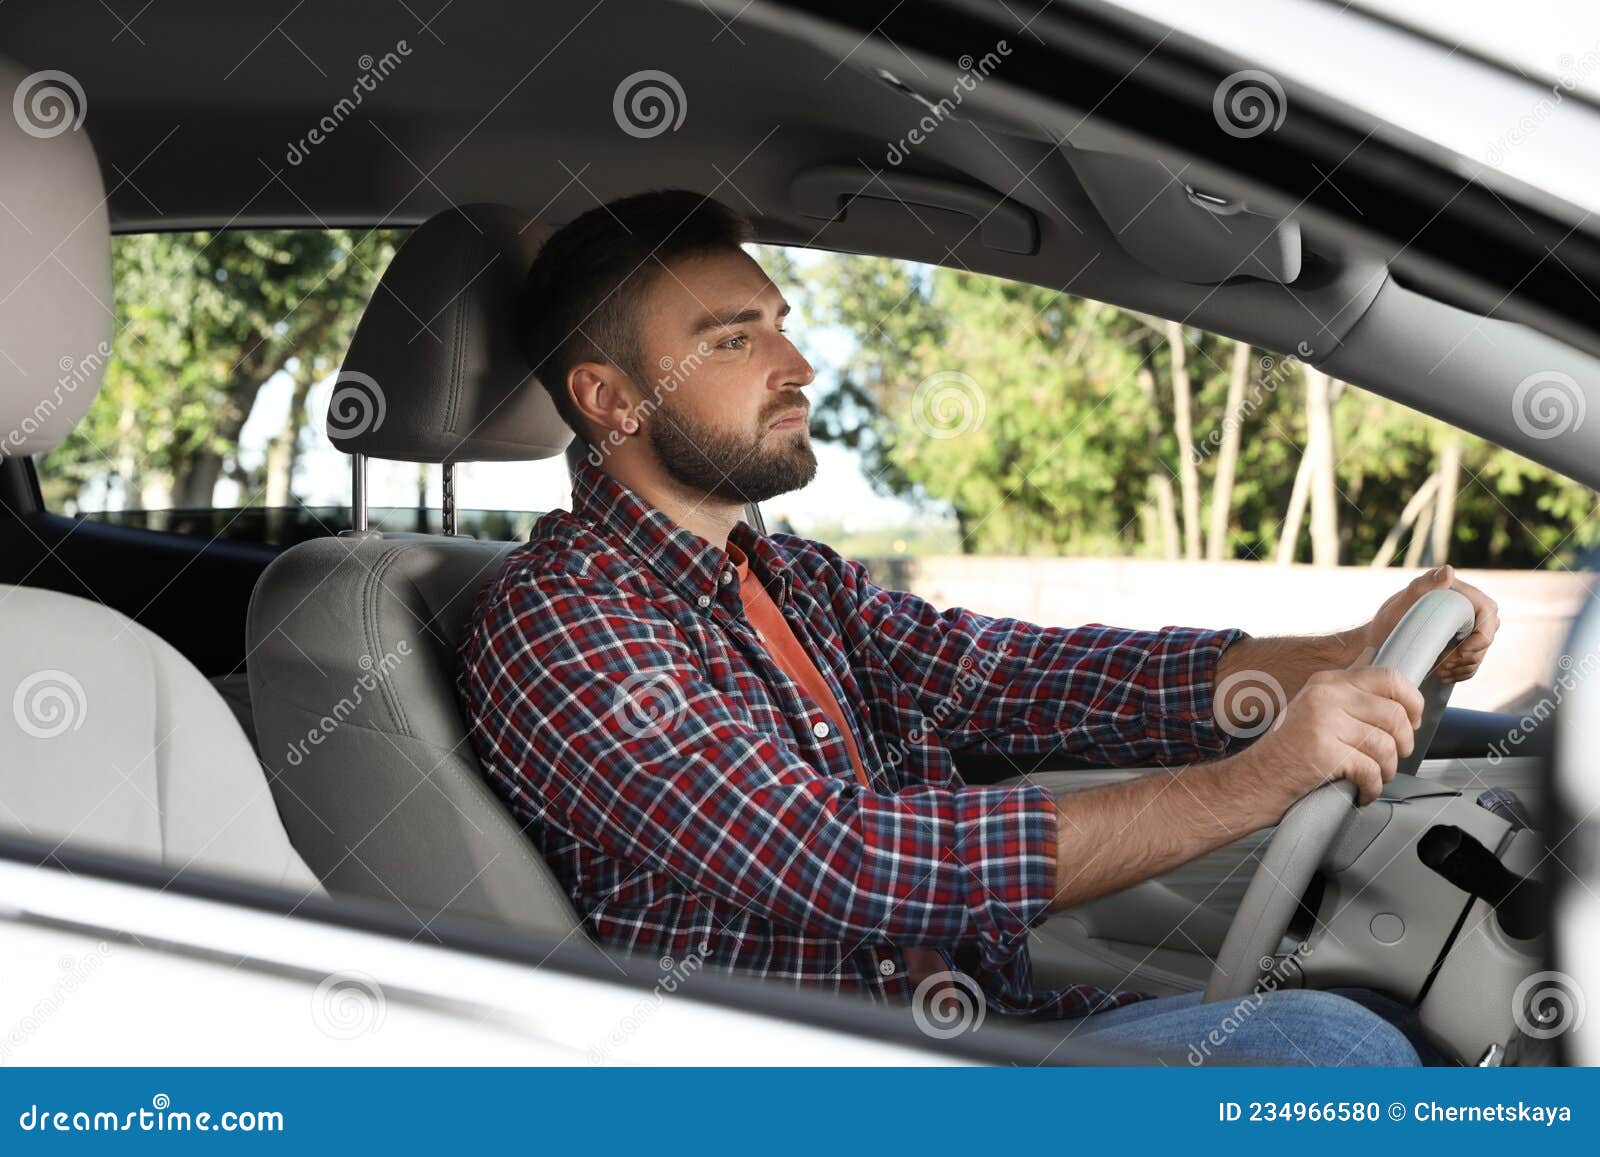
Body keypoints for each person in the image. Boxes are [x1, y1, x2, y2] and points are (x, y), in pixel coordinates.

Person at [456, 190, 1500, 1065]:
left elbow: (1023, 675)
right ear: (610, 399)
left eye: (777, 320)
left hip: (980, 1030)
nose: (797, 365)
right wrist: (1254, 781)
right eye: (735, 338)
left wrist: (1347, 648)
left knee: (1391, 1028)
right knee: (1331, 1055)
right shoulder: (561, 622)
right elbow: (842, 862)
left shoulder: (794, 579)